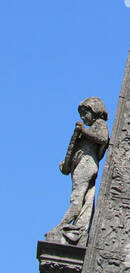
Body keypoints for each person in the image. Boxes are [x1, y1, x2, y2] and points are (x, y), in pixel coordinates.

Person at [47, 96, 110, 244]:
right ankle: (80, 227)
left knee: (77, 197)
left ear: (95, 110)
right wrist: (67, 163)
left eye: (85, 112)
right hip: (81, 165)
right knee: (86, 197)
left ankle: (62, 227)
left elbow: (102, 138)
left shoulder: (100, 124)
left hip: (87, 164)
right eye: (81, 113)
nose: (83, 117)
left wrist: (83, 131)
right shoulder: (89, 129)